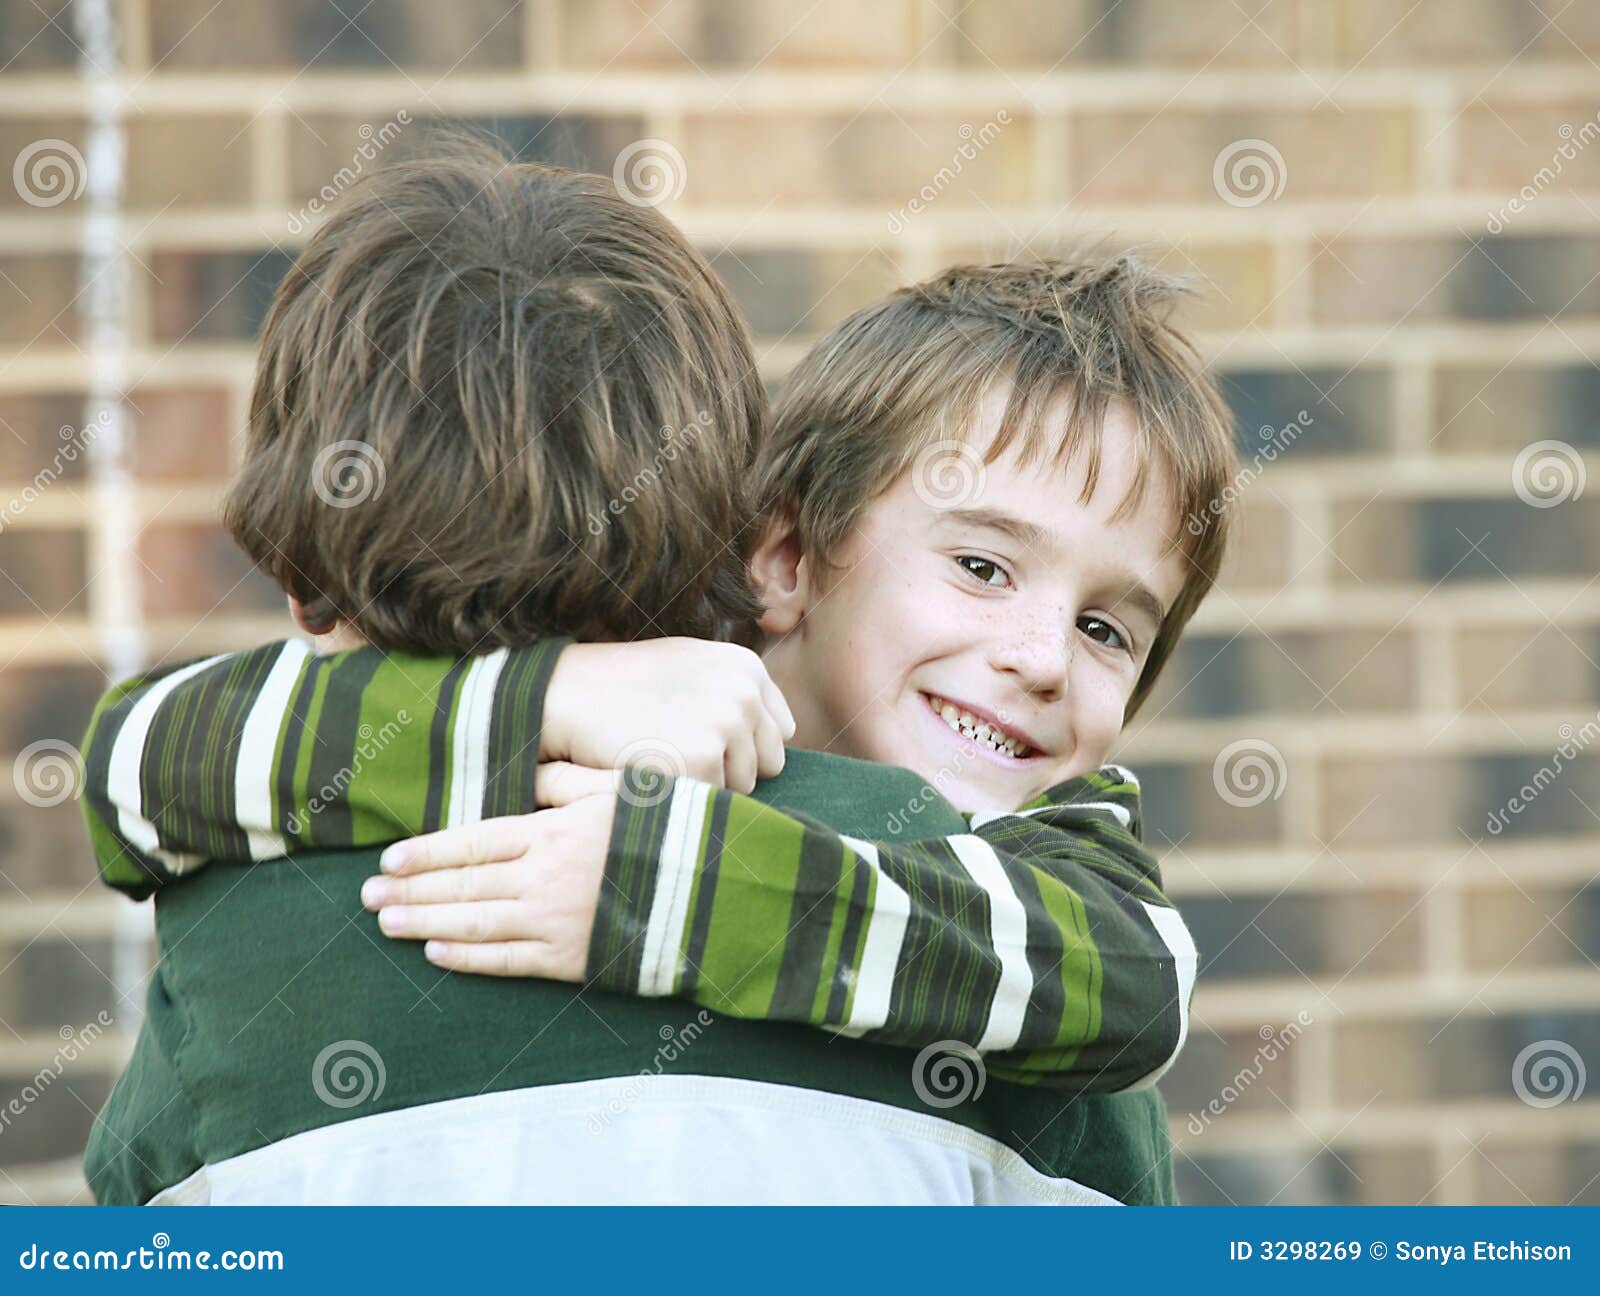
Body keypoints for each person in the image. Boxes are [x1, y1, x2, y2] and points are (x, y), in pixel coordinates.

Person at [81, 143, 1237, 1205]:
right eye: (982, 565)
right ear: (776, 557)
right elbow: (138, 763)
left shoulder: (1059, 868)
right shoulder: (641, 720)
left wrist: (676, 885)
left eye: (1108, 631)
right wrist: (551, 700)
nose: (1040, 659)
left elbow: (1138, 978)